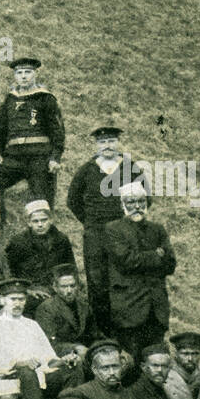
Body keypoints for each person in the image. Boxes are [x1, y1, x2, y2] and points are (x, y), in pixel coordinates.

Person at [0, 276, 82, 399]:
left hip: (41, 376)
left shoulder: (32, 325)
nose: (17, 304)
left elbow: (48, 359)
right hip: (11, 377)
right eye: (13, 299)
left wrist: (63, 361)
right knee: (27, 372)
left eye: (21, 299)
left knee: (72, 369)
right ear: (2, 300)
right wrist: (22, 363)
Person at [66, 125, 130, 332]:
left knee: (122, 279)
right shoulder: (87, 169)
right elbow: (72, 200)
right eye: (103, 142)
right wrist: (90, 222)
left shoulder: (129, 167)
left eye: (111, 141)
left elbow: (145, 198)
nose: (108, 146)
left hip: (122, 234)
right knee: (97, 281)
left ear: (118, 143)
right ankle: (100, 331)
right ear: (96, 145)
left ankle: (123, 328)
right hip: (95, 235)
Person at [103, 182, 176, 360]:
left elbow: (170, 263)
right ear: (122, 205)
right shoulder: (113, 229)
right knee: (130, 361)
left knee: (156, 360)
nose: (137, 206)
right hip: (129, 308)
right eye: (131, 202)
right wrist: (155, 255)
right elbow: (126, 261)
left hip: (156, 310)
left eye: (141, 202)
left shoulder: (157, 230)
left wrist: (150, 258)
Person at [0, 56, 64, 210]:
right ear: (15, 76)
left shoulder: (45, 98)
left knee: (42, 199)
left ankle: (42, 228)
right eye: (19, 73)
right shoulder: (9, 100)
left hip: (39, 157)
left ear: (35, 74)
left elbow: (57, 130)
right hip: (14, 157)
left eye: (28, 72)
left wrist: (55, 157)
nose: (23, 76)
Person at [4, 199, 75, 303]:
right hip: (29, 290)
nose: (40, 224)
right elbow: (10, 272)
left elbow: (70, 267)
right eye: (35, 221)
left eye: (44, 220)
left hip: (56, 288)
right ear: (29, 222)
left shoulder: (61, 240)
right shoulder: (18, 242)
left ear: (51, 220)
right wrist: (27, 290)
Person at [34, 263, 96, 368]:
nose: (69, 291)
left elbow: (95, 334)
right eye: (64, 287)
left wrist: (110, 346)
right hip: (59, 358)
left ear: (78, 286)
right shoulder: (46, 308)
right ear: (55, 287)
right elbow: (49, 343)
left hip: (84, 352)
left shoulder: (84, 306)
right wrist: (75, 348)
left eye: (72, 286)